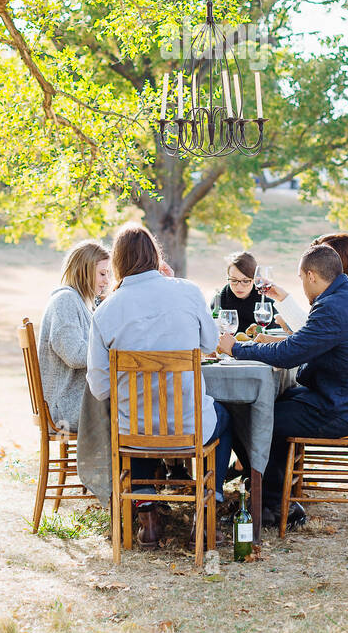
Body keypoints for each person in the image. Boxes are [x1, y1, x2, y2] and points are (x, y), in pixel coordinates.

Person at [86, 223, 233, 549]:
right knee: (225, 417)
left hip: (133, 432)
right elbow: (210, 341)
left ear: (118, 262)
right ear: (155, 256)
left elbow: (98, 387)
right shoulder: (187, 291)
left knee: (137, 415)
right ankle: (207, 510)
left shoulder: (105, 310)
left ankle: (148, 517)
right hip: (190, 427)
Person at [218, 243, 348, 526]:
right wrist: (281, 344)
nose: (302, 285)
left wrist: (236, 349)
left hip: (337, 411)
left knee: (248, 414)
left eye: (300, 278)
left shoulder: (331, 307)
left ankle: (269, 505)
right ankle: (274, 499)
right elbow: (307, 344)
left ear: (311, 276)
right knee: (270, 407)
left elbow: (288, 356)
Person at [37, 240, 111, 432]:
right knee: (133, 409)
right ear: (84, 271)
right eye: (102, 273)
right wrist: (113, 351)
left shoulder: (81, 304)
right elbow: (74, 355)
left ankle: (134, 461)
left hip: (77, 401)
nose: (106, 281)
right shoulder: (65, 301)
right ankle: (130, 462)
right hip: (65, 408)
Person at [260, 231, 348, 332]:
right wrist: (283, 300)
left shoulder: (347, 303)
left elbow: (313, 338)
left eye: (326, 254)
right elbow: (317, 335)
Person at [210, 250, 276, 332]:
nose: (239, 286)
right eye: (234, 280)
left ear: (255, 279)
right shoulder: (218, 302)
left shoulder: (267, 306)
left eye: (245, 281)